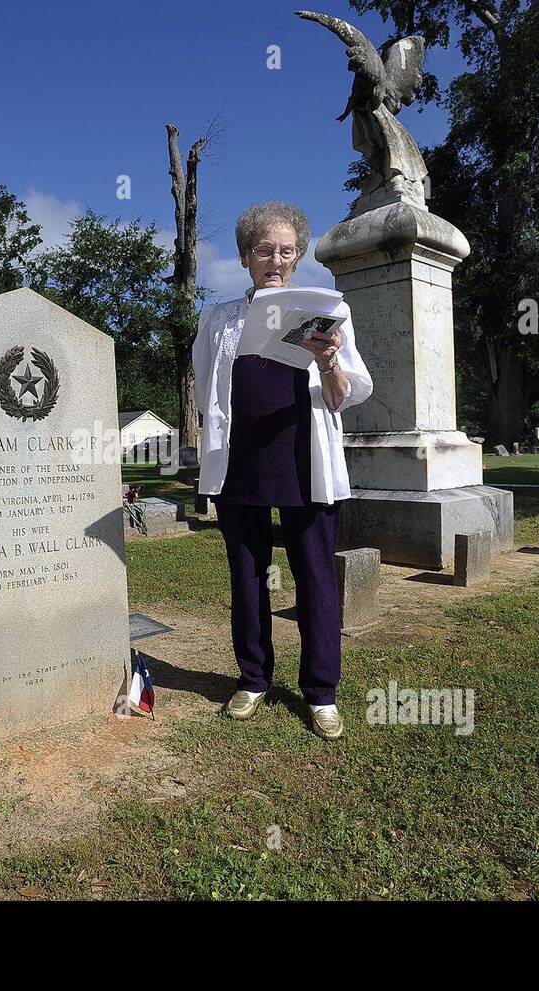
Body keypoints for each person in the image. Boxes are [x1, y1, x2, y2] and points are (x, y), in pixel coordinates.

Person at [191, 200, 372, 739]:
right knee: (247, 576)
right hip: (240, 464)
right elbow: (208, 389)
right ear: (246, 255)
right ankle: (252, 677)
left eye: (286, 250)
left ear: (297, 258)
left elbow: (344, 397)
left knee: (315, 577)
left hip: (304, 461)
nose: (276, 258)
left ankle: (321, 693)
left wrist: (328, 360)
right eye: (264, 249)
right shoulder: (220, 318)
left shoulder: (327, 314)